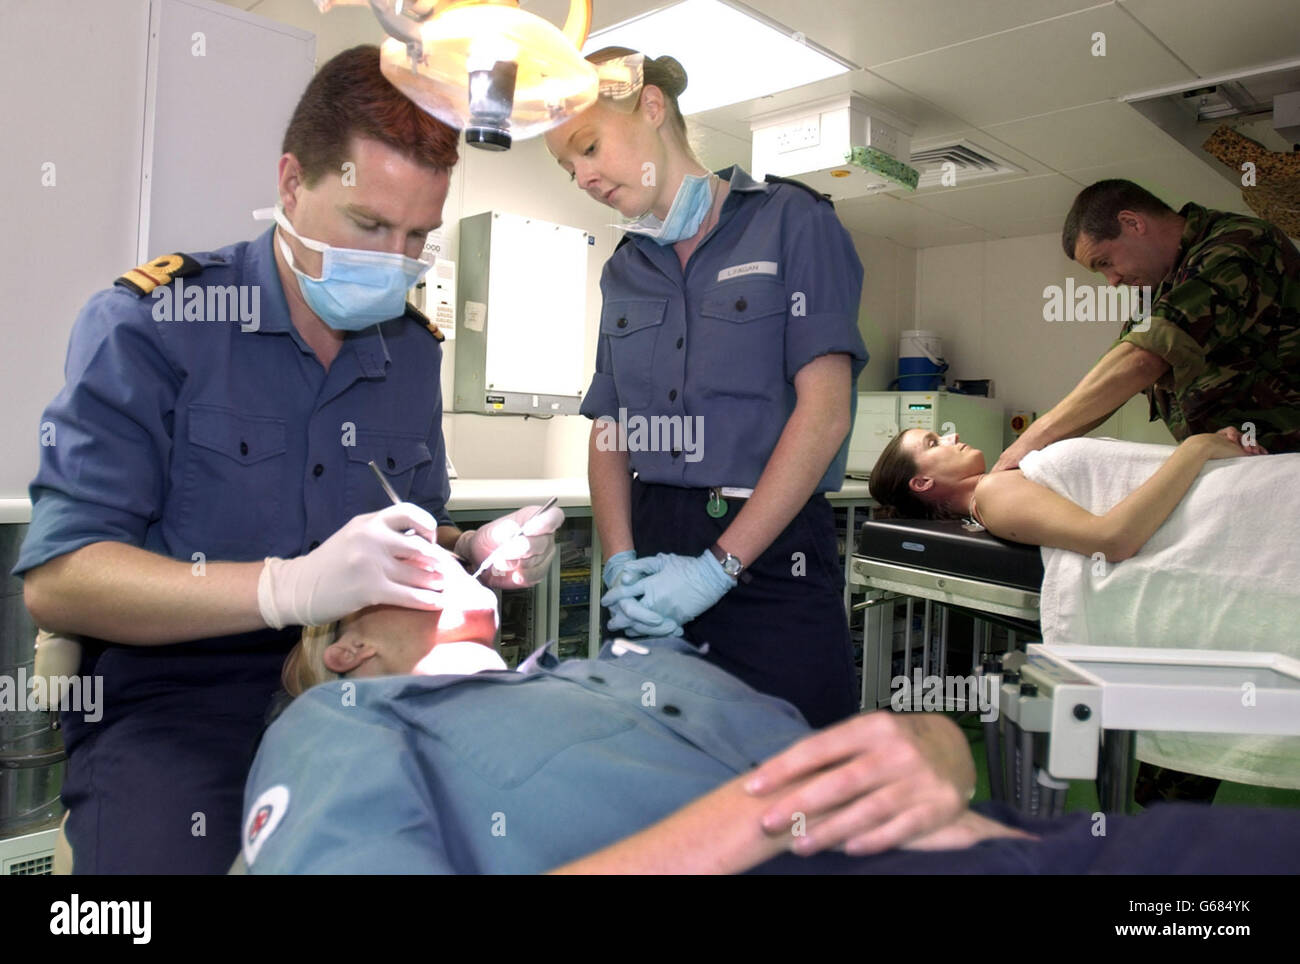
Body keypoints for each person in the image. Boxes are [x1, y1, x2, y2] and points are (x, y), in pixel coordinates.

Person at [14, 45, 560, 874]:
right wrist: (286, 588)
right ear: (291, 185)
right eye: (371, 226)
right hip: (180, 702)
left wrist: (470, 550)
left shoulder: (409, 353)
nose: (396, 258)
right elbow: (61, 578)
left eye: (419, 235)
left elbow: (410, 523)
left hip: (364, 690)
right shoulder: (159, 325)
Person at [237, 547, 1300, 875]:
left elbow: (862, 757)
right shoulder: (345, 722)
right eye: (398, 572)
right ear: (348, 646)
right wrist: (754, 816)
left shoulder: (613, 670)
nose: (430, 557)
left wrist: (934, 743)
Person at [543, 48, 869, 728]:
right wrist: (622, 562)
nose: (582, 176)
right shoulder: (625, 269)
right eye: (567, 166)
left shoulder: (793, 223)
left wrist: (717, 570)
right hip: (652, 535)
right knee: (647, 772)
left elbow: (826, 414)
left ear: (652, 107)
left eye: (589, 147)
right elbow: (610, 432)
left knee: (799, 779)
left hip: (771, 552)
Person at [869, 427, 1300, 802]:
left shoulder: (1003, 481)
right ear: (922, 482)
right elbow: (1112, 539)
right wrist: (1196, 449)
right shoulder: (993, 494)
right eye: (932, 442)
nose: (951, 436)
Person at [993, 178, 1300, 473]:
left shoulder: (1238, 246)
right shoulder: (1159, 291)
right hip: (1255, 469)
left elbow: (1141, 360)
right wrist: (1031, 453)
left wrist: (1029, 442)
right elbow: (1112, 384)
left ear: (1133, 223)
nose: (1112, 282)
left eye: (1105, 262)